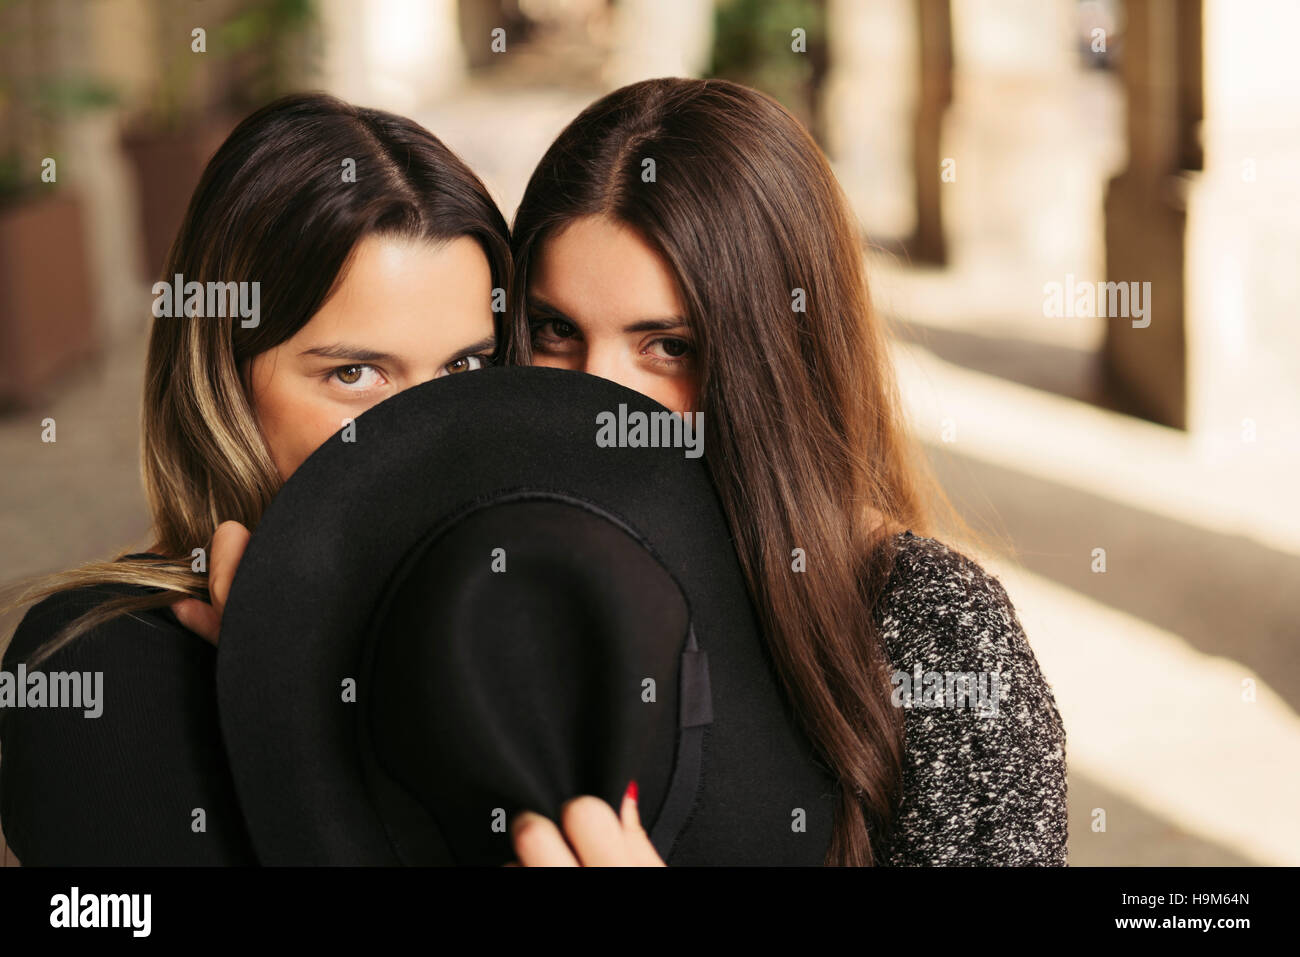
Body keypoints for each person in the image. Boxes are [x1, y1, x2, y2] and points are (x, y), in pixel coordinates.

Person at [504, 77, 1068, 865]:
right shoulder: (479, 573)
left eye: (668, 345)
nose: (595, 399)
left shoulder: (934, 633)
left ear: (775, 359)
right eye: (556, 330)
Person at [0, 92, 517, 865]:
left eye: (465, 367)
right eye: (355, 372)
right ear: (224, 384)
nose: (426, 430)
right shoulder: (94, 672)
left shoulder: (532, 617)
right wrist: (297, 697)